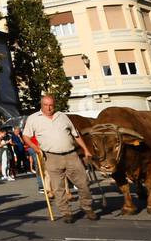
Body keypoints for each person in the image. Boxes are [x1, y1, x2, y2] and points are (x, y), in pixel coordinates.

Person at [20, 94, 98, 222]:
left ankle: (87, 207)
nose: (49, 108)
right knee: (58, 188)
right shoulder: (33, 118)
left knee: (83, 183)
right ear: (41, 105)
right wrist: (35, 148)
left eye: (51, 105)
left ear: (54, 105)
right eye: (46, 105)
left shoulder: (62, 116)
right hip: (51, 157)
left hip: (71, 155)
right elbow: (26, 136)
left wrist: (86, 149)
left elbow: (76, 135)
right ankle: (66, 212)